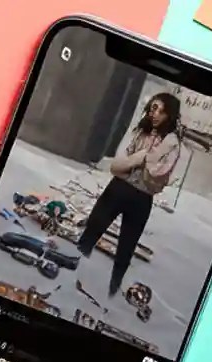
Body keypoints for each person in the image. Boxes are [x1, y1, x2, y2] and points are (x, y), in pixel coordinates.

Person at [76, 92, 182, 296]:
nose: (155, 114)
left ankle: (113, 287)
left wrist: (137, 161)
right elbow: (119, 161)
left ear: (170, 115)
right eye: (153, 108)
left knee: (126, 246)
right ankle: (73, 266)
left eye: (161, 110)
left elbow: (158, 174)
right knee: (93, 227)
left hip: (142, 197)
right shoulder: (140, 131)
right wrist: (139, 159)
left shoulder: (172, 143)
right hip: (118, 187)